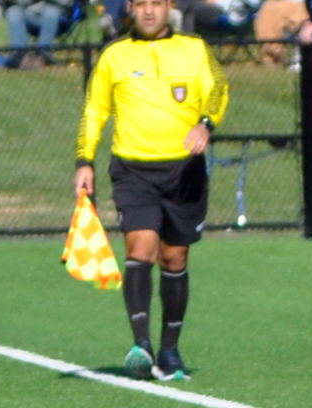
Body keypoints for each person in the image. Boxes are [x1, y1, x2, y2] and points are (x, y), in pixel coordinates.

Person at [75, 0, 229, 380]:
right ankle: (141, 345)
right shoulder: (114, 55)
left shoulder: (194, 49)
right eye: (140, 3)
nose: (148, 11)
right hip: (134, 171)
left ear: (168, 6)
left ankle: (169, 350)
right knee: (140, 246)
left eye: (155, 3)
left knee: (175, 258)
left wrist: (206, 123)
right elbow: (94, 110)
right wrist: (84, 160)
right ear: (130, 8)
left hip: (184, 172)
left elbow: (217, 89)